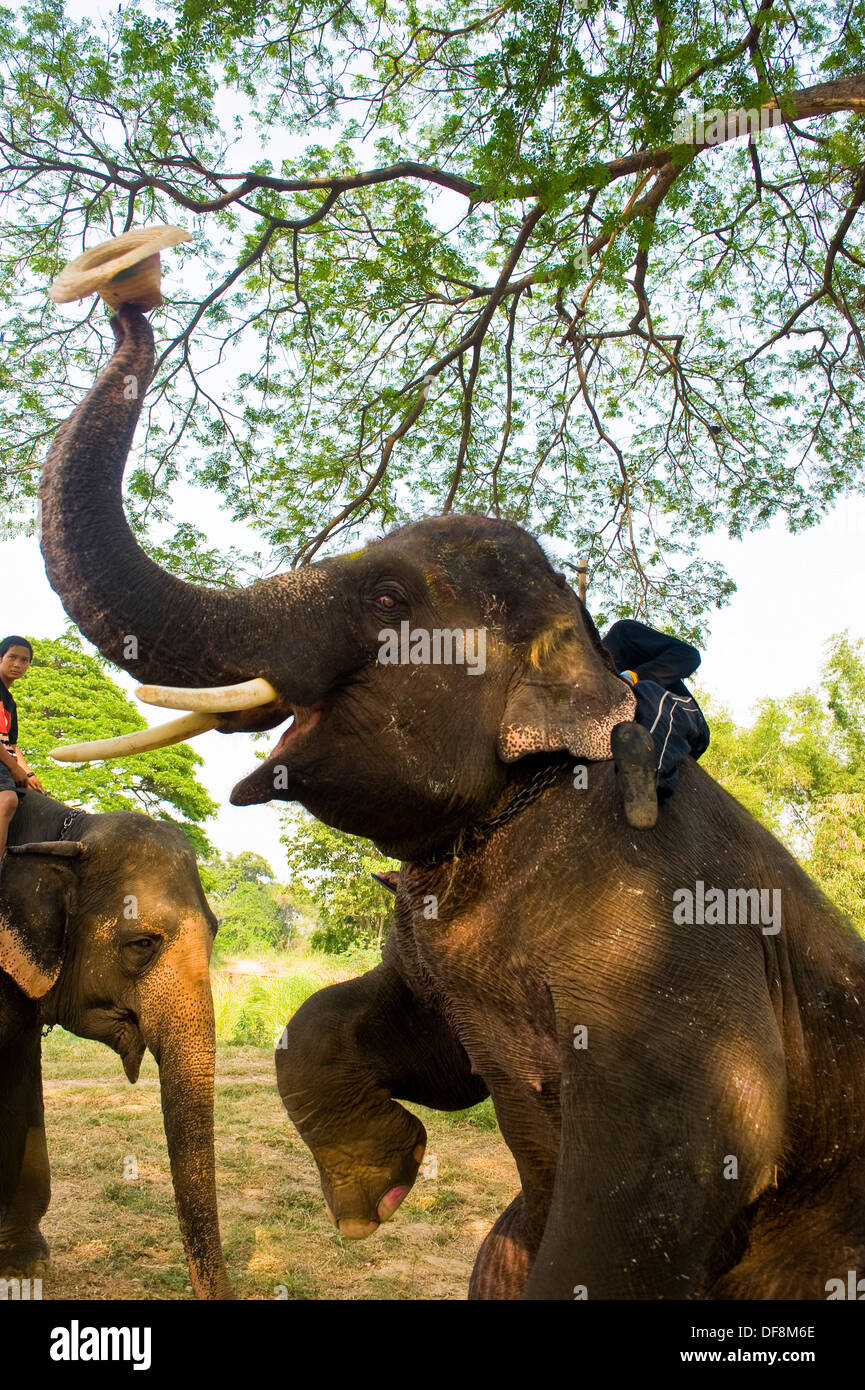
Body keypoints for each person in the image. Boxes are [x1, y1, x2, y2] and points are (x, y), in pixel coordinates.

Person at [602, 619, 710, 829]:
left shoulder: (621, 636)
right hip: (633, 730)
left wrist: (635, 676)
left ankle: (648, 783)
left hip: (681, 713)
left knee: (644, 691)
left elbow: (688, 656)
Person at [0, 635, 45, 885]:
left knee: (36, 798)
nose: (18, 664)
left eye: (25, 660)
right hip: (2, 764)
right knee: (7, 799)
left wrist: (28, 774)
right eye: (12, 657)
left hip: (5, 763)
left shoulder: (10, 702)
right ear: (0, 658)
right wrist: (14, 768)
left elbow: (11, 744)